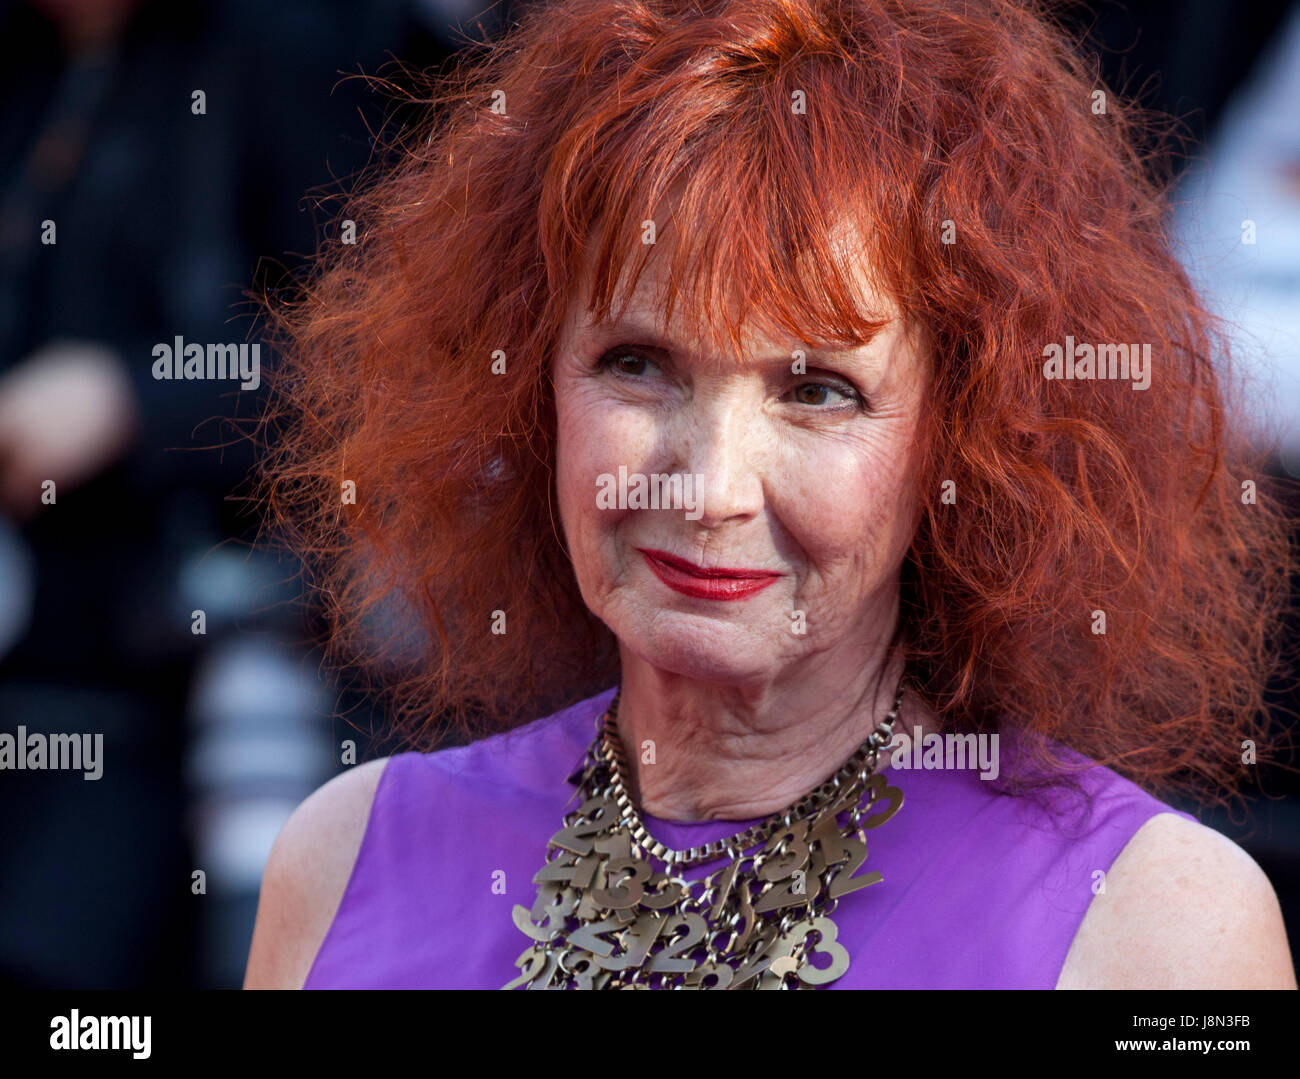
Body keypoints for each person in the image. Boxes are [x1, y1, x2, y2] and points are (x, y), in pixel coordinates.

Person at [242, 0, 1298, 990]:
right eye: (638, 364)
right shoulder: (347, 857)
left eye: (818, 391)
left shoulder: (1156, 926)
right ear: (527, 386)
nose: (709, 487)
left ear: (968, 438)